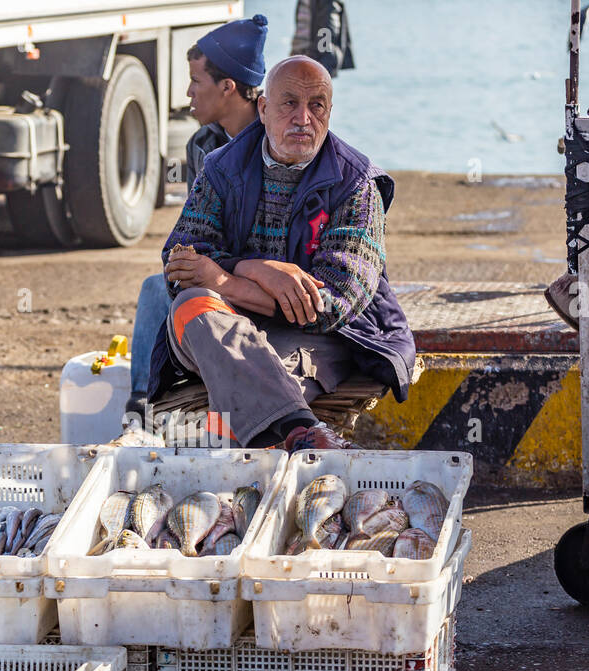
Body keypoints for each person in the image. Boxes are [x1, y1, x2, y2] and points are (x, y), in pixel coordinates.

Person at [148, 55, 414, 451]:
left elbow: (330, 306)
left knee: (254, 380)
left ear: (329, 112)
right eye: (289, 103)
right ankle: (307, 434)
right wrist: (257, 268)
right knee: (189, 303)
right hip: (220, 324)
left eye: (316, 105)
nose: (303, 118)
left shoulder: (357, 184)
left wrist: (221, 279)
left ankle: (266, 457)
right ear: (263, 108)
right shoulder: (221, 168)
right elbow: (180, 266)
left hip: (326, 337)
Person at [128, 14, 268, 411]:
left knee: (164, 289)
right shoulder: (201, 145)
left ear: (228, 87)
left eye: (195, 81)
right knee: (157, 286)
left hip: (260, 280)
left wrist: (224, 271)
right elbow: (196, 229)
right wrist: (187, 262)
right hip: (214, 269)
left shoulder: (273, 143)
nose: (187, 93)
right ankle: (141, 407)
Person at [291, 0, 356, 78]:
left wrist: (314, 61)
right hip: (301, 59)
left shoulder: (327, 2)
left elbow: (327, 32)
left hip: (315, 61)